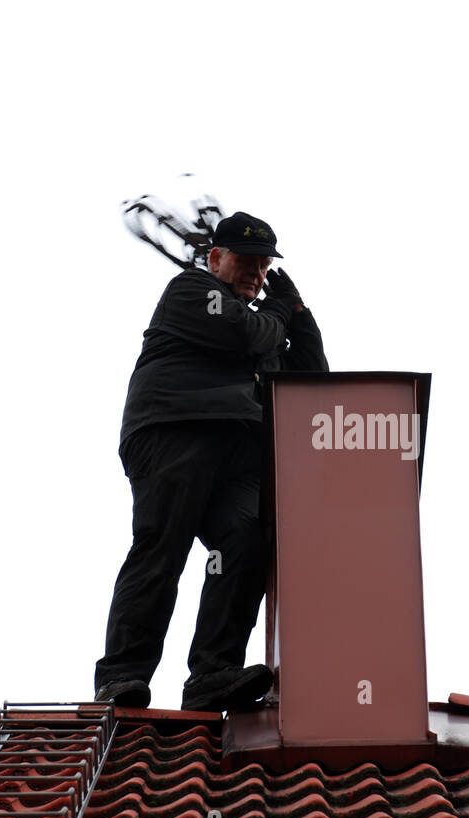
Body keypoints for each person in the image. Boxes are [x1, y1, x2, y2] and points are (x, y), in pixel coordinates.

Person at [94, 212, 328, 711]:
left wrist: (300, 313)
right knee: (164, 542)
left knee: (246, 541)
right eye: (247, 262)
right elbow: (246, 335)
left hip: (237, 450)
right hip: (176, 428)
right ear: (216, 258)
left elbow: (312, 377)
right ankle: (122, 676)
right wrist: (280, 316)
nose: (257, 273)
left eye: (264, 266)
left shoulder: (264, 326)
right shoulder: (191, 291)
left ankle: (212, 673)